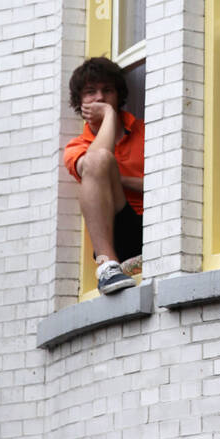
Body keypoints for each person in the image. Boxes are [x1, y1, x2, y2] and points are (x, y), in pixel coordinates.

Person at [63, 57, 144, 293]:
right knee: (97, 159)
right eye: (90, 92)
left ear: (118, 95)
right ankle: (108, 267)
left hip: (158, 220)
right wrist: (109, 114)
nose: (99, 98)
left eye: (107, 91)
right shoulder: (76, 147)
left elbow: (168, 182)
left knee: (100, 162)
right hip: (120, 231)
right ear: (80, 101)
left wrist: (117, 178)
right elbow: (99, 161)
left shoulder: (146, 131)